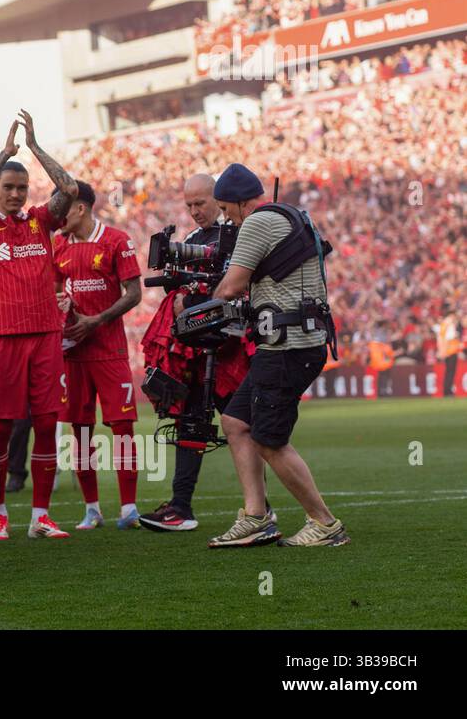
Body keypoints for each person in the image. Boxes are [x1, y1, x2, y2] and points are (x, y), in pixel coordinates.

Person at [208, 163, 349, 548]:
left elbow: (232, 286)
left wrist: (203, 303)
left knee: (269, 439)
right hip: (293, 342)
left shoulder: (257, 221)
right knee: (236, 421)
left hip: (289, 347)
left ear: (239, 202)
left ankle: (325, 524)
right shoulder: (292, 214)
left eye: (224, 208)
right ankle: (256, 517)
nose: (225, 218)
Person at [0, 110, 78, 540]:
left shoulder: (41, 221)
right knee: (0, 428)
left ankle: (40, 516)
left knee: (49, 424)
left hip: (46, 337)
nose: (15, 194)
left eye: (21, 188)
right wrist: (4, 154)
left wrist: (34, 148)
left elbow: (68, 188)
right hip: (4, 340)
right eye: (8, 188)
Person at [139, 173, 261, 532]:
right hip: (196, 348)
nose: (194, 212)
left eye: (201, 204)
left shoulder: (240, 233)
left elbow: (238, 286)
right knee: (190, 422)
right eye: (189, 205)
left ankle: (259, 508)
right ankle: (180, 507)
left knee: (242, 424)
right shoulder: (191, 239)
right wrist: (179, 298)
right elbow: (176, 286)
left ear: (217, 199)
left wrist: (193, 299)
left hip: (231, 348)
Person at [53, 180, 144, 530]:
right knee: (81, 430)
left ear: (80, 208)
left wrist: (98, 320)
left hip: (109, 350)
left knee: (122, 427)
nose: (57, 214)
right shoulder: (57, 245)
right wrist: (63, 308)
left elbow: (134, 293)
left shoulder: (116, 240)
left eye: (63, 207)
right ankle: (91, 508)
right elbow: (55, 290)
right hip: (73, 354)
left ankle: (129, 507)